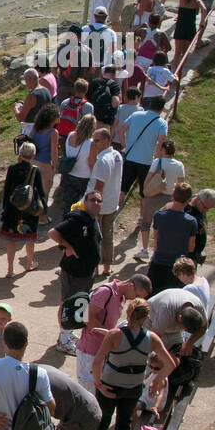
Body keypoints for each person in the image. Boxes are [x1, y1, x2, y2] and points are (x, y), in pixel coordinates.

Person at [87, 300, 176, 430]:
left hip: (109, 386)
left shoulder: (114, 335)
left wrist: (99, 385)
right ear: (146, 317)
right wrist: (157, 380)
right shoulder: (152, 338)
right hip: (133, 388)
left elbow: (97, 363)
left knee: (102, 423)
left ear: (127, 313)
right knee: (124, 424)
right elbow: (170, 364)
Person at [49, 189, 104, 355]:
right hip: (74, 272)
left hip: (87, 273)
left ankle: (67, 333)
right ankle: (63, 341)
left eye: (98, 201)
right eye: (92, 200)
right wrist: (68, 246)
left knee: (79, 303)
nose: (96, 203)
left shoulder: (93, 220)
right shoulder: (78, 219)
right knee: (67, 304)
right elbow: (53, 233)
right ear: (85, 203)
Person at [76, 274, 152, 391]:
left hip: (102, 350)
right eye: (137, 295)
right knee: (88, 393)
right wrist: (110, 335)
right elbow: (87, 318)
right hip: (90, 351)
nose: (135, 299)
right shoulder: (105, 292)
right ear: (130, 285)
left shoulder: (122, 296)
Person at [0, 141, 46, 277]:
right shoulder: (35, 170)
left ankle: (10, 269)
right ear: (34, 155)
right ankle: (29, 263)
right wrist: (43, 209)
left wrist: (5, 208)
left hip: (13, 209)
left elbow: (7, 190)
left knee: (12, 240)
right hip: (29, 209)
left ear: (20, 153)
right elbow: (41, 191)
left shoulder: (12, 169)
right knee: (29, 238)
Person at [137, 138, 185, 260]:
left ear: (163, 149)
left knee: (146, 223)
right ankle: (158, 250)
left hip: (153, 196)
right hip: (169, 198)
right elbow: (181, 185)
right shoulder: (179, 165)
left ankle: (145, 249)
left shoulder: (157, 162)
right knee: (164, 226)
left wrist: (145, 191)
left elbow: (148, 179)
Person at [117, 95, 168, 203]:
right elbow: (161, 144)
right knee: (144, 192)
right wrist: (158, 161)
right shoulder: (162, 123)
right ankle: (142, 213)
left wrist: (125, 145)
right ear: (162, 108)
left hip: (130, 156)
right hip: (146, 161)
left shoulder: (136, 115)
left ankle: (115, 209)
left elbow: (121, 131)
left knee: (122, 189)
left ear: (150, 104)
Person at [148, 182, 198, 292]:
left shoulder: (158, 215)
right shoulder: (191, 222)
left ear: (173, 195)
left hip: (158, 264)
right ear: (188, 200)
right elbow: (191, 248)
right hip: (179, 269)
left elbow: (156, 241)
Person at [88, 127, 123, 273]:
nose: (94, 143)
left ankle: (94, 267)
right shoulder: (117, 156)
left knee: (94, 236)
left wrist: (93, 205)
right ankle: (107, 267)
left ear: (107, 141)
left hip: (100, 205)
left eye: (97, 140)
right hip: (111, 203)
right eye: (93, 140)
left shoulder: (103, 160)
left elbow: (99, 186)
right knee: (108, 236)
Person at [60, 113, 97, 213]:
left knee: (69, 204)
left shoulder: (71, 135)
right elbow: (91, 163)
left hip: (69, 174)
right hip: (84, 177)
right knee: (84, 206)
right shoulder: (91, 143)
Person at [170, 0, 206, 73]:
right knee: (185, 52)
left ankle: (175, 71)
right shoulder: (197, 2)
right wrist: (202, 21)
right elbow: (204, 9)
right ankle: (180, 70)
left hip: (180, 27)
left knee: (177, 52)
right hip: (190, 28)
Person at [29, 102, 60, 202]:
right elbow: (54, 152)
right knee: (44, 193)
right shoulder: (53, 133)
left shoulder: (35, 128)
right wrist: (53, 167)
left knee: (32, 190)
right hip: (45, 165)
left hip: (32, 162)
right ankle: (42, 211)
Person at [15, 67, 52, 136]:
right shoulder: (46, 90)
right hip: (45, 126)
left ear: (29, 79)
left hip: (32, 130)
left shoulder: (32, 95)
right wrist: (25, 105)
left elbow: (20, 118)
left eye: (25, 80)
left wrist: (15, 108)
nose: (26, 83)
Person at [187, 188, 215, 265]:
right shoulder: (188, 213)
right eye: (205, 207)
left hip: (196, 255)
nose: (206, 211)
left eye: (209, 208)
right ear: (198, 199)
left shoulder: (201, 207)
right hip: (188, 256)